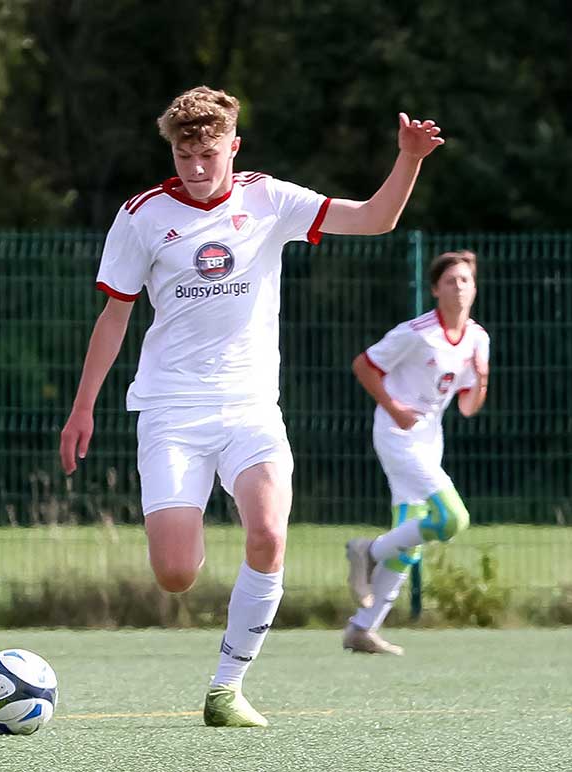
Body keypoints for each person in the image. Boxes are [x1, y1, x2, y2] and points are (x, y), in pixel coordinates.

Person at [59, 85, 444, 727]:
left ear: (233, 148)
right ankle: (189, 521)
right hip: (171, 410)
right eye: (184, 156)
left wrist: (409, 159)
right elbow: (114, 316)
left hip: (251, 408)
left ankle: (227, 688)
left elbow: (375, 218)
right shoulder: (142, 216)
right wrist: (83, 408)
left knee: (267, 535)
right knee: (175, 574)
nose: (196, 168)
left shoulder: (269, 199)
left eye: (208, 155)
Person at [343, 251, 490, 655]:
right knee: (452, 518)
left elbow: (467, 407)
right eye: (450, 281)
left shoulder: (478, 339)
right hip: (396, 435)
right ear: (435, 289)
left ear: (475, 288)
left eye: (465, 281)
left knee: (409, 540)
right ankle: (367, 551)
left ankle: (362, 629)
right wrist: (395, 409)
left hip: (429, 441)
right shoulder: (416, 332)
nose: (459, 288)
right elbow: (364, 365)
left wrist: (481, 379)